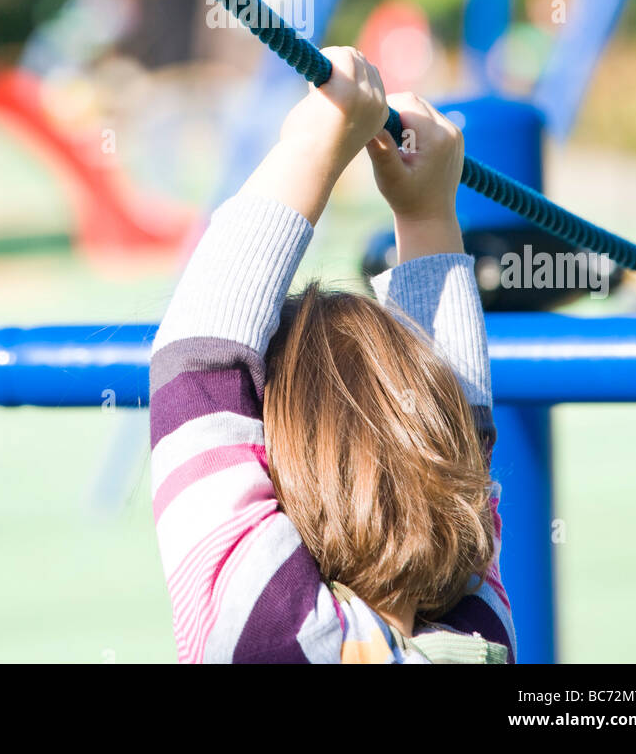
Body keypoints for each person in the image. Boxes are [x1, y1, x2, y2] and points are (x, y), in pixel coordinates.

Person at [149, 47, 515, 664]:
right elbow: (462, 462)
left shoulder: (273, 634)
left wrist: (313, 143)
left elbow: (197, 366)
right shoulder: (473, 643)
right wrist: (426, 211)